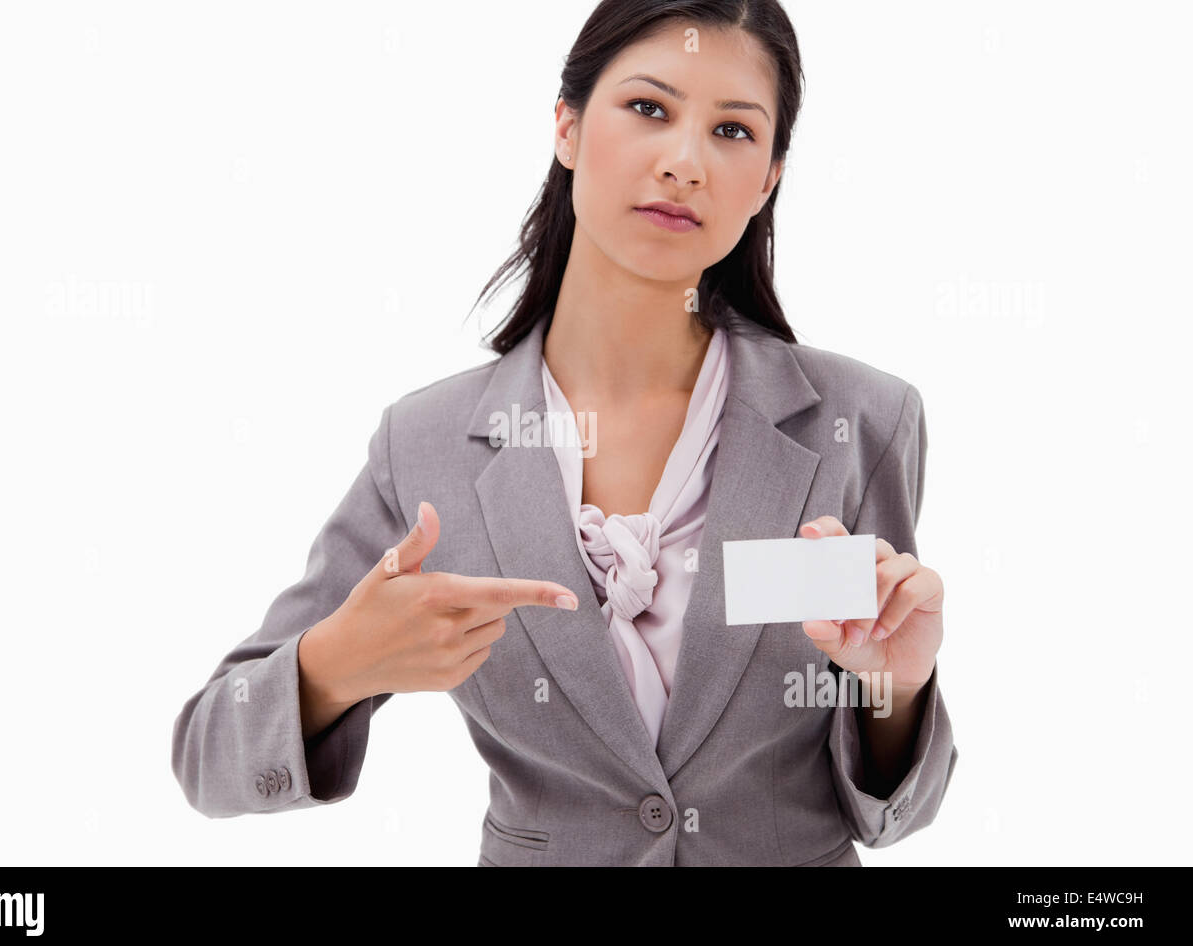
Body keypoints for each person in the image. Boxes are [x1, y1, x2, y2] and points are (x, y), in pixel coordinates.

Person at [171, 0, 957, 866]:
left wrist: (897, 689)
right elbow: (208, 755)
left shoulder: (864, 422)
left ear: (768, 178)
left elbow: (893, 812)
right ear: (568, 128)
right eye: (649, 109)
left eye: (733, 131)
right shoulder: (425, 443)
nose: (685, 162)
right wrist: (337, 665)